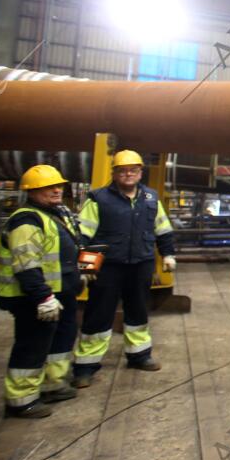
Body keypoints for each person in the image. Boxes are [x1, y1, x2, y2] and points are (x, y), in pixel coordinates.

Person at [72, 150, 176, 385]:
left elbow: (163, 228)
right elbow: (84, 236)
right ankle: (85, 367)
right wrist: (86, 268)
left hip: (141, 264)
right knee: (99, 313)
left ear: (140, 173)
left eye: (133, 170)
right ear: (115, 173)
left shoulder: (150, 197)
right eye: (122, 170)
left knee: (138, 311)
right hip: (109, 267)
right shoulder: (98, 199)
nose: (128, 174)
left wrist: (168, 254)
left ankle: (139, 356)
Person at [0, 165, 84, 417]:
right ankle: (21, 400)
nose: (56, 190)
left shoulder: (56, 214)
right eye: (47, 187)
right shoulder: (26, 220)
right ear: (31, 191)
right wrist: (43, 298)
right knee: (31, 345)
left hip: (61, 293)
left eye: (58, 185)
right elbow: (26, 265)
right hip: (33, 298)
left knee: (61, 338)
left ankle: (52, 384)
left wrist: (81, 273)